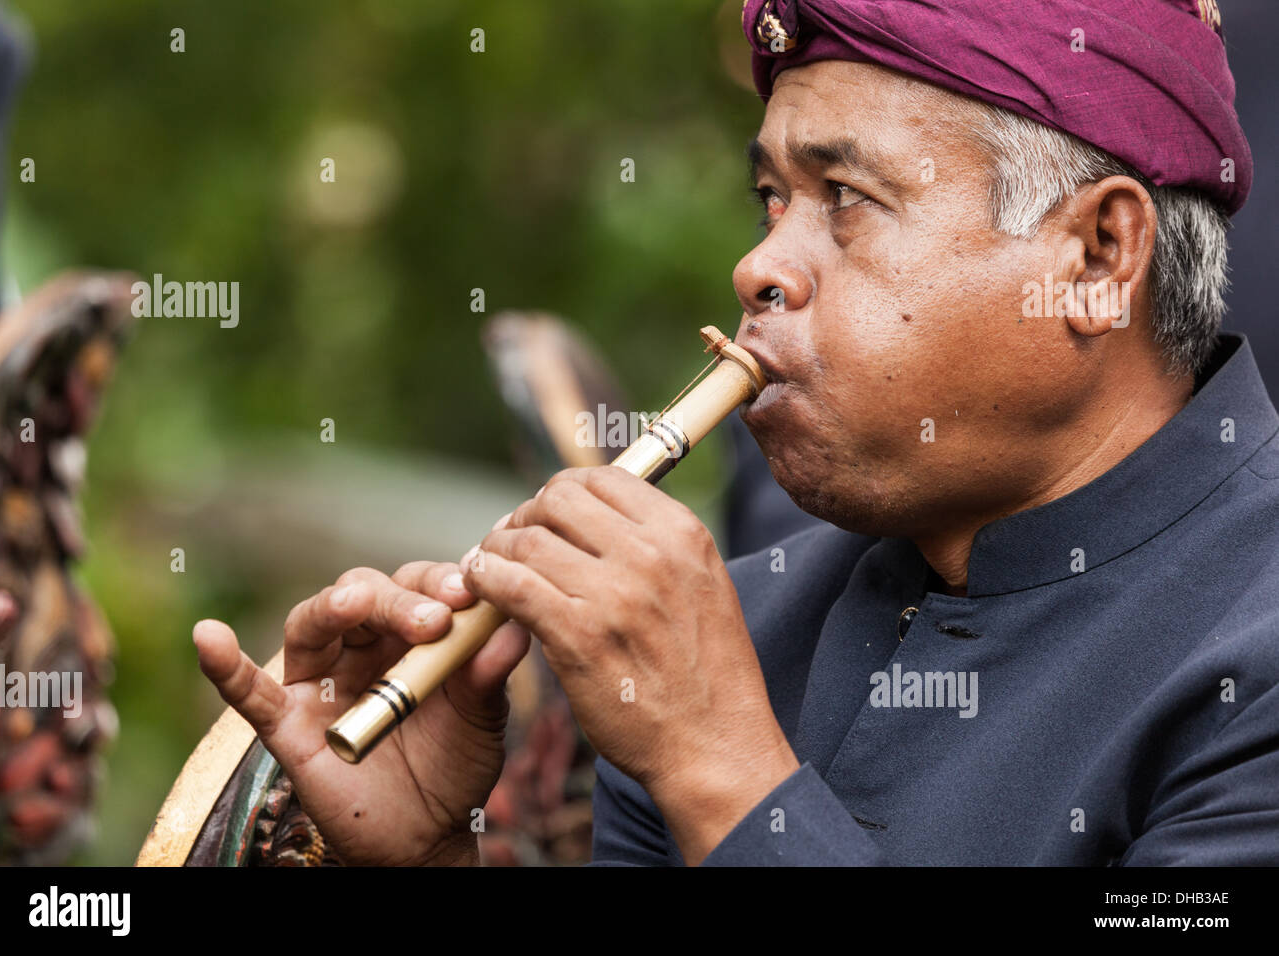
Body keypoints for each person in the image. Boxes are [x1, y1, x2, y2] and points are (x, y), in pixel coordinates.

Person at [194, 0, 1279, 865]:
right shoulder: (749, 620)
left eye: (844, 196)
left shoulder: (1256, 662)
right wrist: (431, 850)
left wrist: (717, 761)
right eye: (770, 196)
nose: (759, 265)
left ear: (1095, 258)